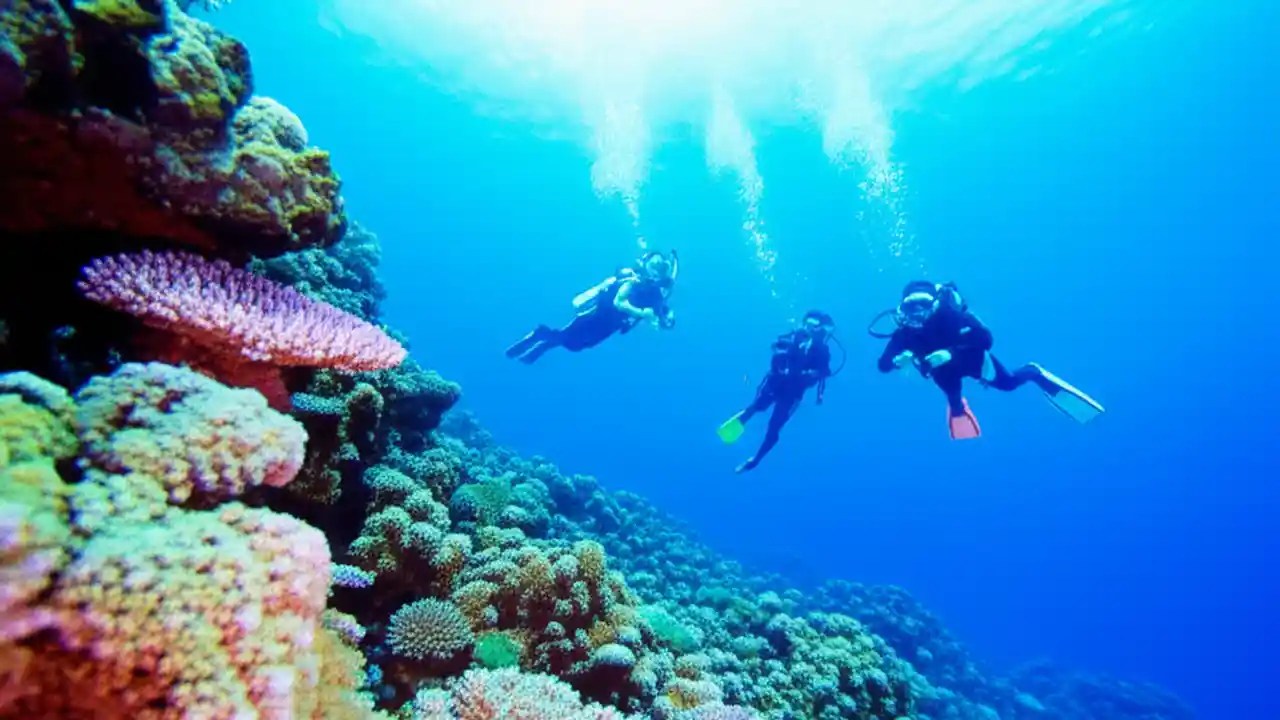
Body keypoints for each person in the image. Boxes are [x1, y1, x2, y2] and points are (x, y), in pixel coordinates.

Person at [872, 281, 1104, 439]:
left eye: (923, 305)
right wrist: (897, 361)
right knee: (954, 402)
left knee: (1010, 384)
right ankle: (958, 408)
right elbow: (882, 366)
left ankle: (1033, 372)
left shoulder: (952, 316)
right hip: (942, 373)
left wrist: (951, 353)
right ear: (902, 308)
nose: (916, 313)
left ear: (934, 303)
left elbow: (985, 339)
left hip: (973, 361)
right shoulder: (903, 334)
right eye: (910, 306)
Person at [505, 250, 678, 364]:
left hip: (611, 325)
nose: (658, 272)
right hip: (597, 316)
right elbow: (619, 301)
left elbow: (662, 306)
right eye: (655, 266)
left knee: (577, 345)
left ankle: (542, 344)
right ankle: (540, 333)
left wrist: (665, 320)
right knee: (570, 340)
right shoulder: (633, 282)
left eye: (662, 268)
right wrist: (642, 313)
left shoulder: (654, 292)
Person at [718, 310, 837, 472]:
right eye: (817, 328)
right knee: (756, 407)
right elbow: (776, 350)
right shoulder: (794, 338)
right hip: (777, 383)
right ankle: (740, 432)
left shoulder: (823, 352)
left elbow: (824, 372)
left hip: (794, 391)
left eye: (825, 330)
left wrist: (812, 375)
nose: (821, 334)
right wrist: (786, 362)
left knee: (774, 426)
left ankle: (756, 459)